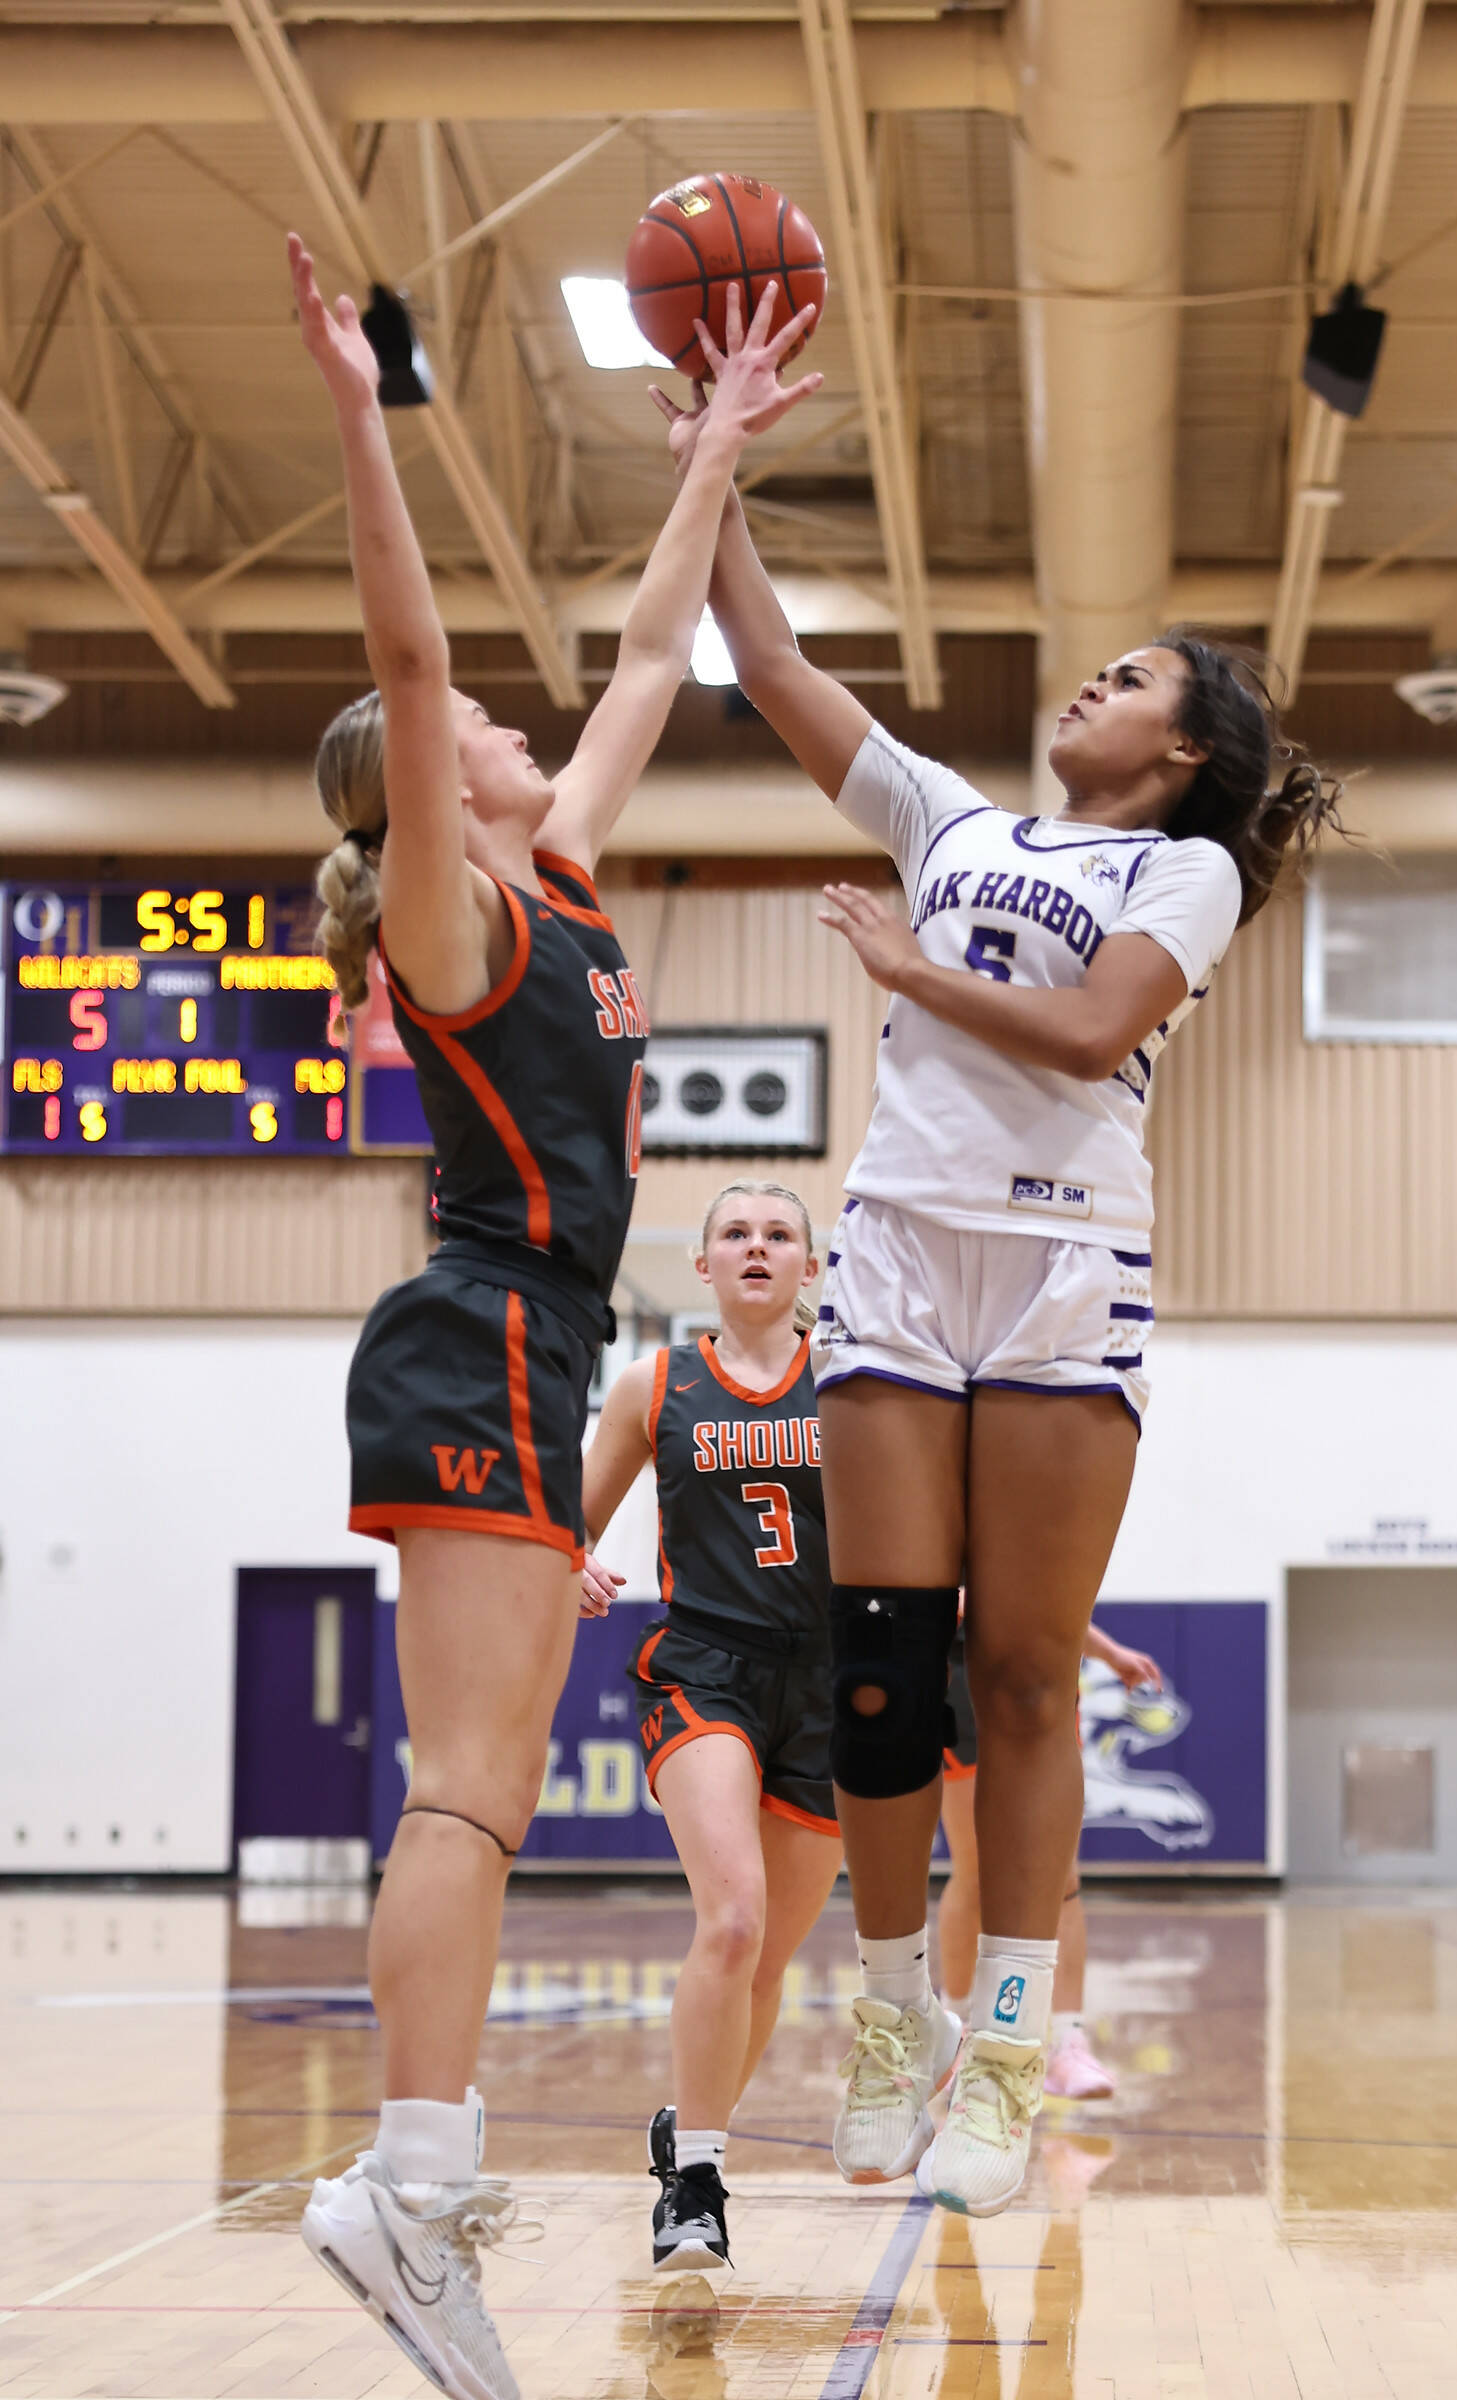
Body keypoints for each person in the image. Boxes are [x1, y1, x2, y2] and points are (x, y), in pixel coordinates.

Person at [651, 284, 1342, 2219]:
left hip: (1062, 1265)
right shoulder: (948, 818)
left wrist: (905, 967)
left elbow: (1096, 1029)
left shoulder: (1181, 871)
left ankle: (1009, 2056)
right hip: (902, 1247)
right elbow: (769, 657)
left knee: (1022, 1681)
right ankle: (887, 2028)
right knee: (882, 1669)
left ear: (1190, 746)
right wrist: (718, 458)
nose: (1088, 690)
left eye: (1129, 680)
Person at [285, 235, 820, 2400]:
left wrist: (706, 449)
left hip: (524, 1340)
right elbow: (415, 666)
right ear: (406, 798)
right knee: (470, 1793)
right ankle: (406, 2191)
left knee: (481, 1790)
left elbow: (646, 657)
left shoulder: (571, 870)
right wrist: (357, 415)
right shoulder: (444, 895)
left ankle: (413, 2180)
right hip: (485, 1328)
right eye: (464, 733)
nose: (510, 722)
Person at [580, 1183, 838, 2274]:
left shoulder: (854, 1380)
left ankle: (683, 2124)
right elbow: (566, 1517)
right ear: (701, 1265)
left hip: (829, 1682)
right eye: (735, 1232)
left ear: (810, 1269)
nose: (756, 1248)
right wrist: (565, 1562)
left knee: (769, 1959)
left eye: (779, 1235)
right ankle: (696, 2185)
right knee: (731, 1920)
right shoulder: (656, 1383)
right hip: (705, 1669)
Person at [939, 1622, 1162, 2099]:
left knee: (1060, 1877)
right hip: (960, 1676)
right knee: (976, 1874)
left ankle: (1067, 2043)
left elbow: (1049, 1596)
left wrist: (1110, 1651)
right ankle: (956, 2035)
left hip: (1044, 1678)